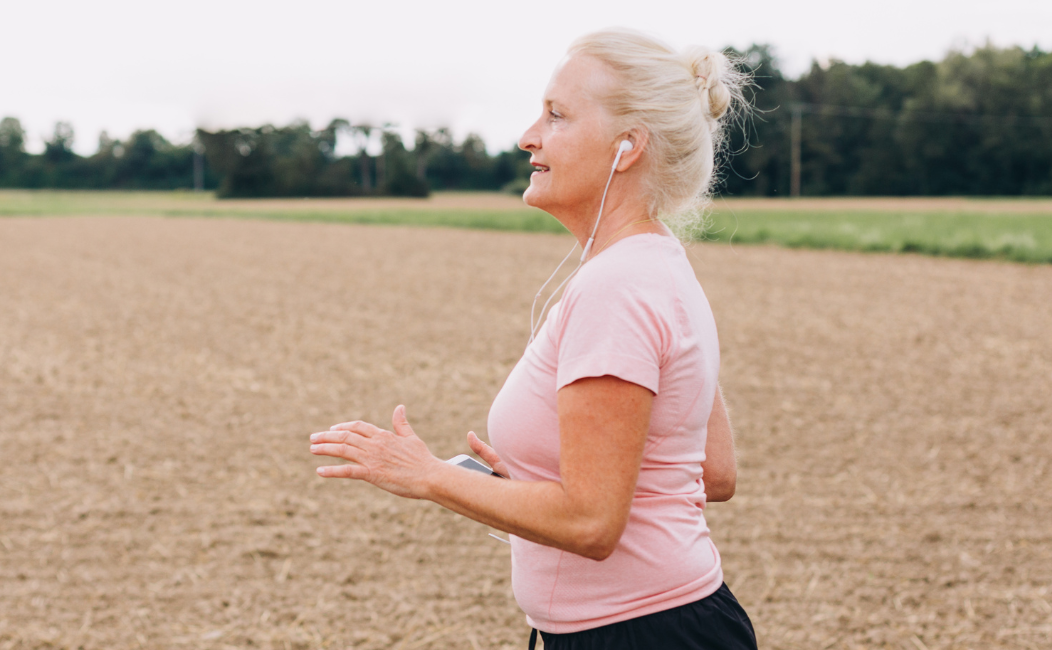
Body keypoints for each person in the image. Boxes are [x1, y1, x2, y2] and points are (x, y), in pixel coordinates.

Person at [308, 28, 757, 649]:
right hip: (671, 623)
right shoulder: (656, 263)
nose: (528, 137)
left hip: (637, 635)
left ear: (626, 146)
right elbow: (711, 471)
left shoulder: (616, 290)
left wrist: (427, 474)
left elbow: (594, 523)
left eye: (557, 115)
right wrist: (522, 490)